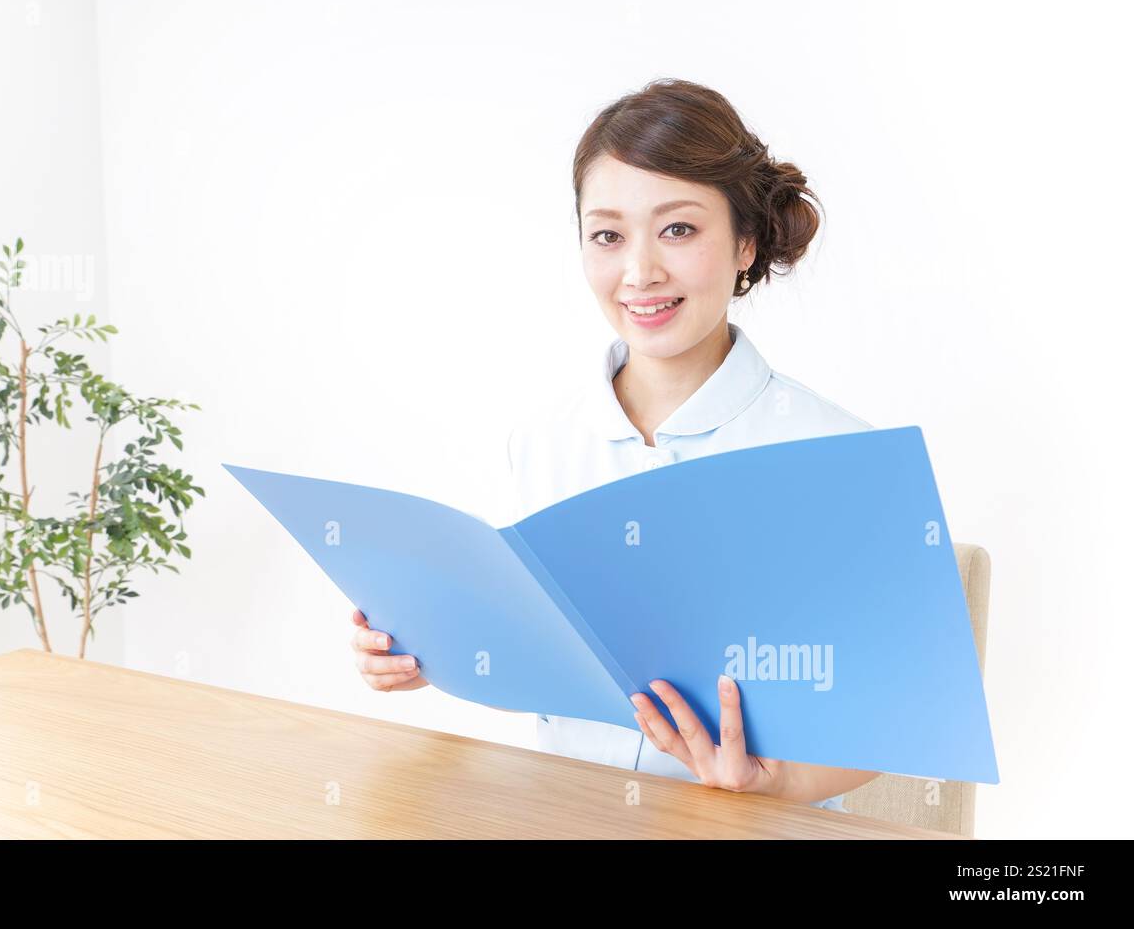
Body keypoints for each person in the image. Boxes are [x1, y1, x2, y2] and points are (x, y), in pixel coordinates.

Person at [351, 78, 882, 812]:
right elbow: (534, 654)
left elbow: (885, 717)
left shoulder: (835, 454)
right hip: (567, 814)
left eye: (678, 230)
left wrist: (779, 781)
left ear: (746, 243)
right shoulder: (542, 441)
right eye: (607, 235)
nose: (639, 273)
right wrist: (426, 652)